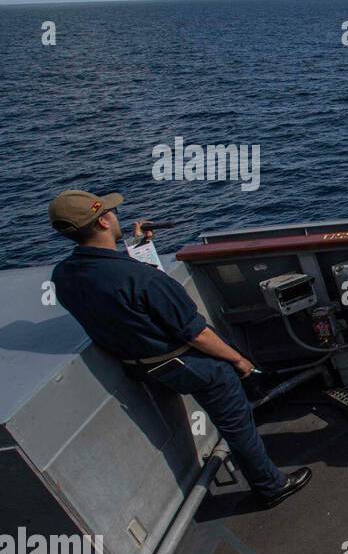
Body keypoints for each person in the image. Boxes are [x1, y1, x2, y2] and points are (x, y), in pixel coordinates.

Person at [48, 189, 311, 507]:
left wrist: (139, 248)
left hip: (139, 367)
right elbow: (197, 334)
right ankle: (271, 486)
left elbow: (120, 291)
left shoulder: (62, 275)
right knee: (234, 416)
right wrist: (239, 361)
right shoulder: (142, 279)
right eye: (111, 212)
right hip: (185, 365)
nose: (116, 216)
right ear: (104, 221)